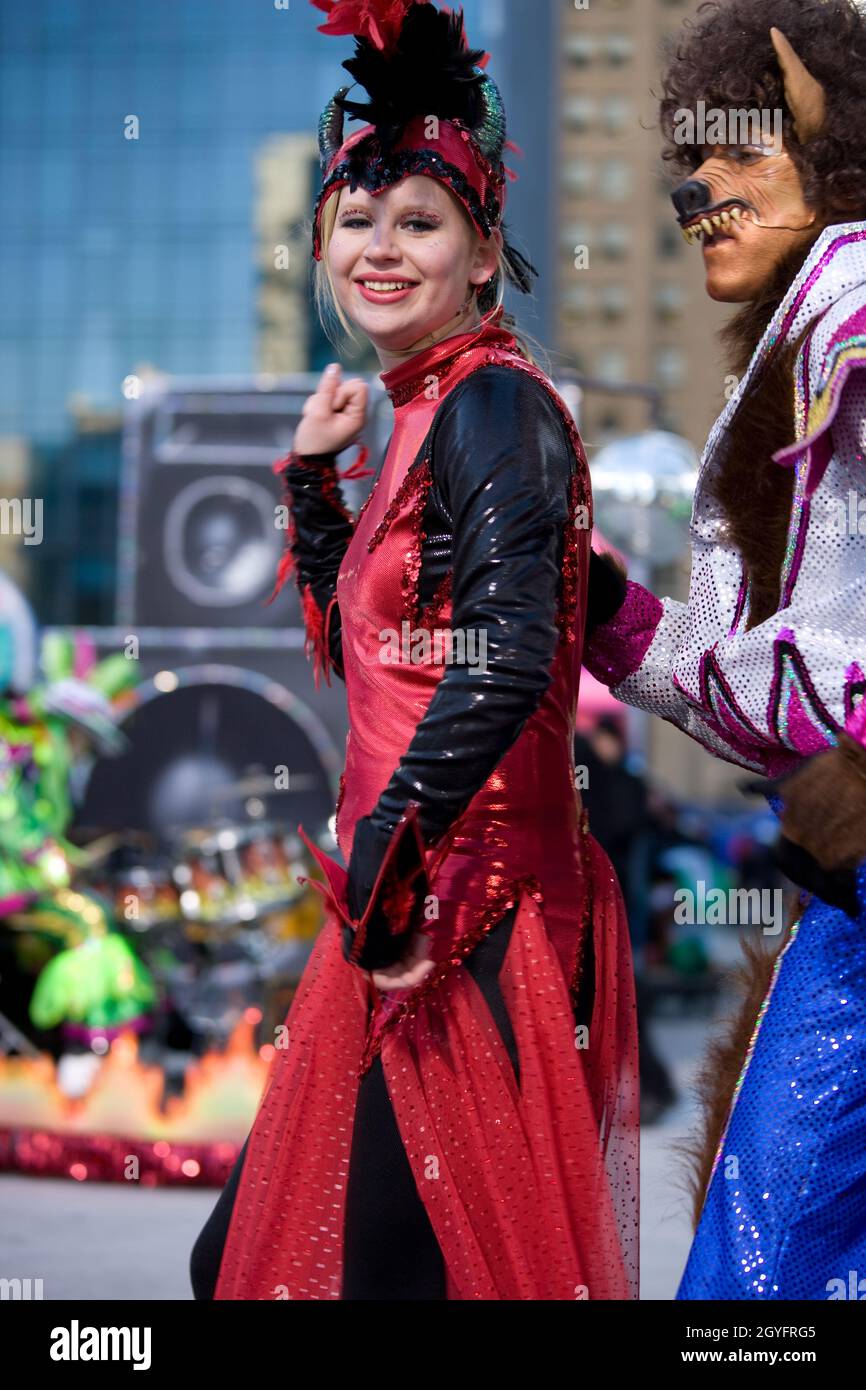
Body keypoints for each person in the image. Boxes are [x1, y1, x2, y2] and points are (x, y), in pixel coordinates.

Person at [190, 0, 638, 1302]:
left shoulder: (495, 406)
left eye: (419, 221)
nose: (378, 248)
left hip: (463, 911)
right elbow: (371, 649)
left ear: (484, 251)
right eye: (356, 221)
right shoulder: (425, 409)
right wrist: (314, 487)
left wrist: (386, 849)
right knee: (266, 1256)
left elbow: (505, 657)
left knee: (346, 1270)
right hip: (404, 894)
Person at [585, 0, 866, 1299]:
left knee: (754, 1269)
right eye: (682, 160)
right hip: (839, 890)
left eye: (740, 148)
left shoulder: (851, 304)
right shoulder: (802, 337)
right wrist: (597, 609)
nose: (696, 185)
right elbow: (758, 681)